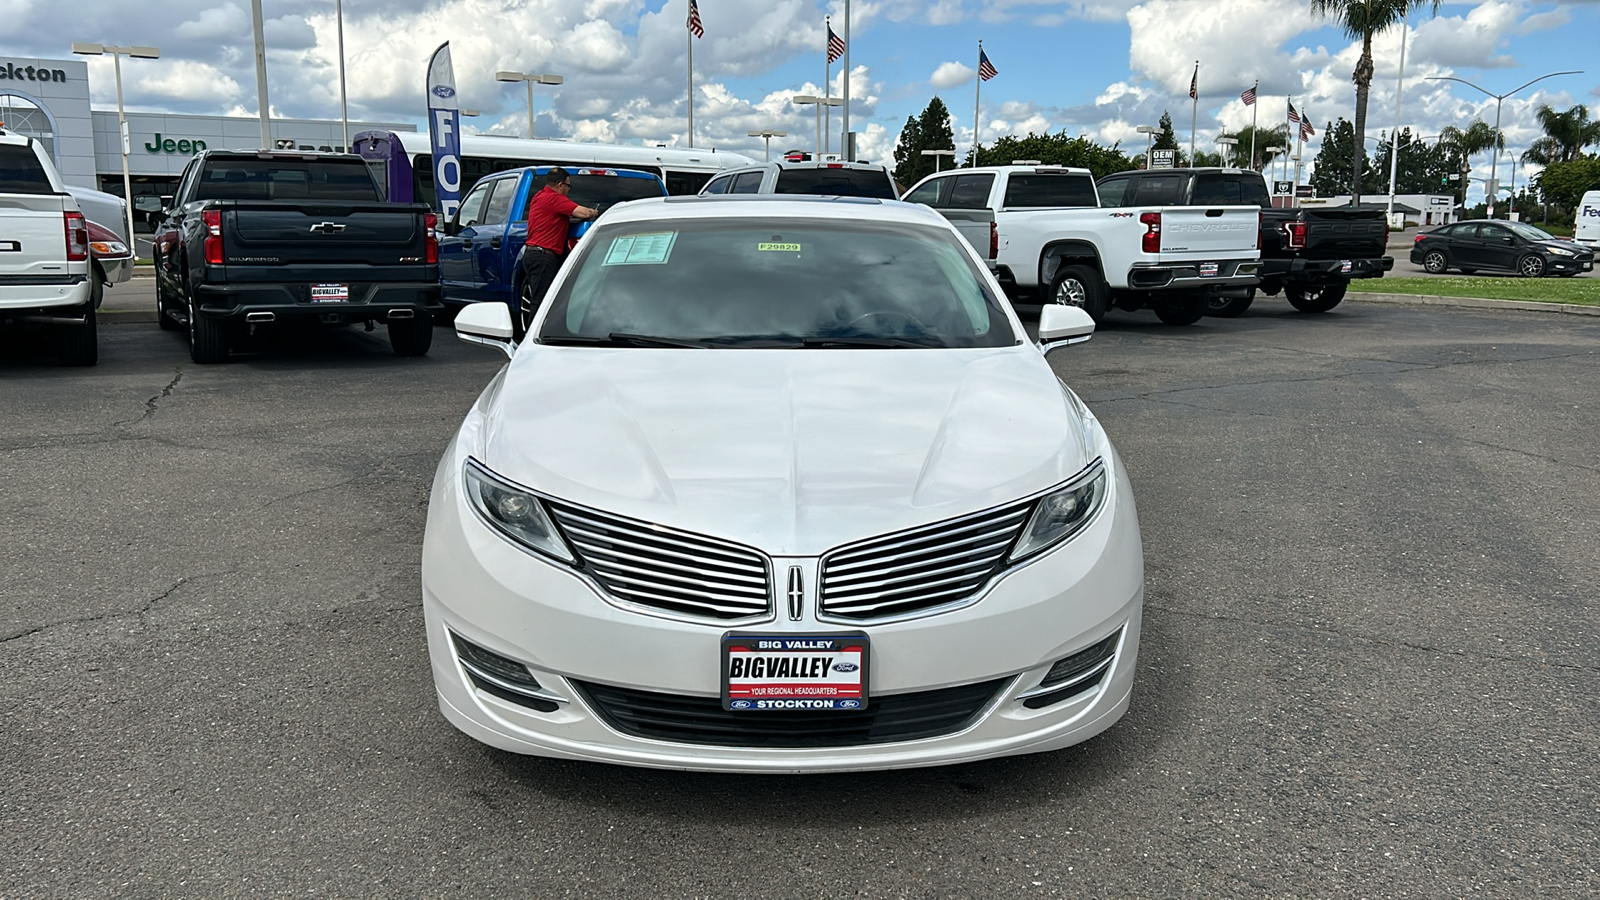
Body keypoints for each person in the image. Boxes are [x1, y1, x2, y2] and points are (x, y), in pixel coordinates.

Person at [518, 167, 598, 335]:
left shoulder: (539, 197)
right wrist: (594, 212)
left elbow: (555, 215)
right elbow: (583, 213)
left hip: (532, 254)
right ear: (560, 185)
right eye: (568, 186)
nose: (568, 190)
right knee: (541, 302)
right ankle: (532, 338)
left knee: (538, 298)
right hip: (544, 257)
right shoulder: (555, 199)